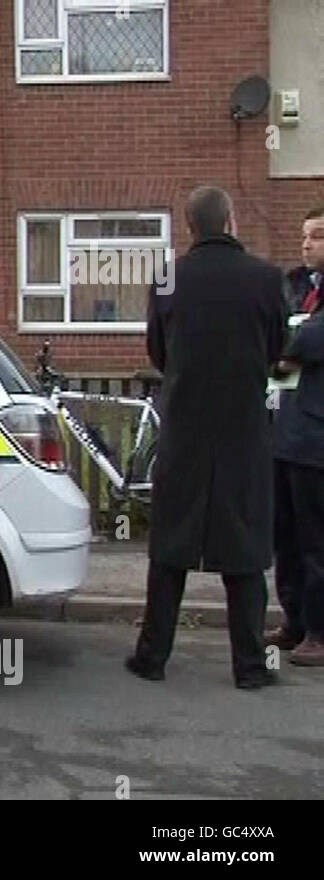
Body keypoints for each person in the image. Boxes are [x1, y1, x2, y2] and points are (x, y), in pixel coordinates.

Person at [127, 186, 286, 690]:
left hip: (185, 427)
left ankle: (152, 656)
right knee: (244, 547)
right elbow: (276, 348)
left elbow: (158, 350)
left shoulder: (169, 278)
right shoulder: (265, 279)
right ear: (231, 221)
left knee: (171, 546)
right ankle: (250, 666)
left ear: (190, 227)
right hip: (244, 429)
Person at [268, 206, 324, 666]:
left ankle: (320, 634)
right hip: (283, 430)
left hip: (316, 439)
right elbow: (276, 333)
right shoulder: (296, 285)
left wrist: (291, 345)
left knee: (315, 541)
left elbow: (309, 342)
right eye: (305, 236)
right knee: (284, 536)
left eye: (318, 236)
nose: (307, 244)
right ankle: (294, 620)